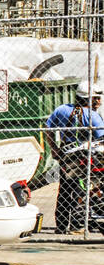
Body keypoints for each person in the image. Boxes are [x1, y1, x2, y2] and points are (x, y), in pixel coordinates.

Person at [45, 80, 104, 232]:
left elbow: (48, 129)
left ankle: (62, 225)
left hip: (66, 153)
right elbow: (101, 139)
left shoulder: (62, 109)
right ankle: (78, 223)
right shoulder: (93, 116)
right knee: (83, 188)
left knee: (65, 190)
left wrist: (54, 148)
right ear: (87, 98)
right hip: (85, 156)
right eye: (96, 98)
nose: (99, 101)